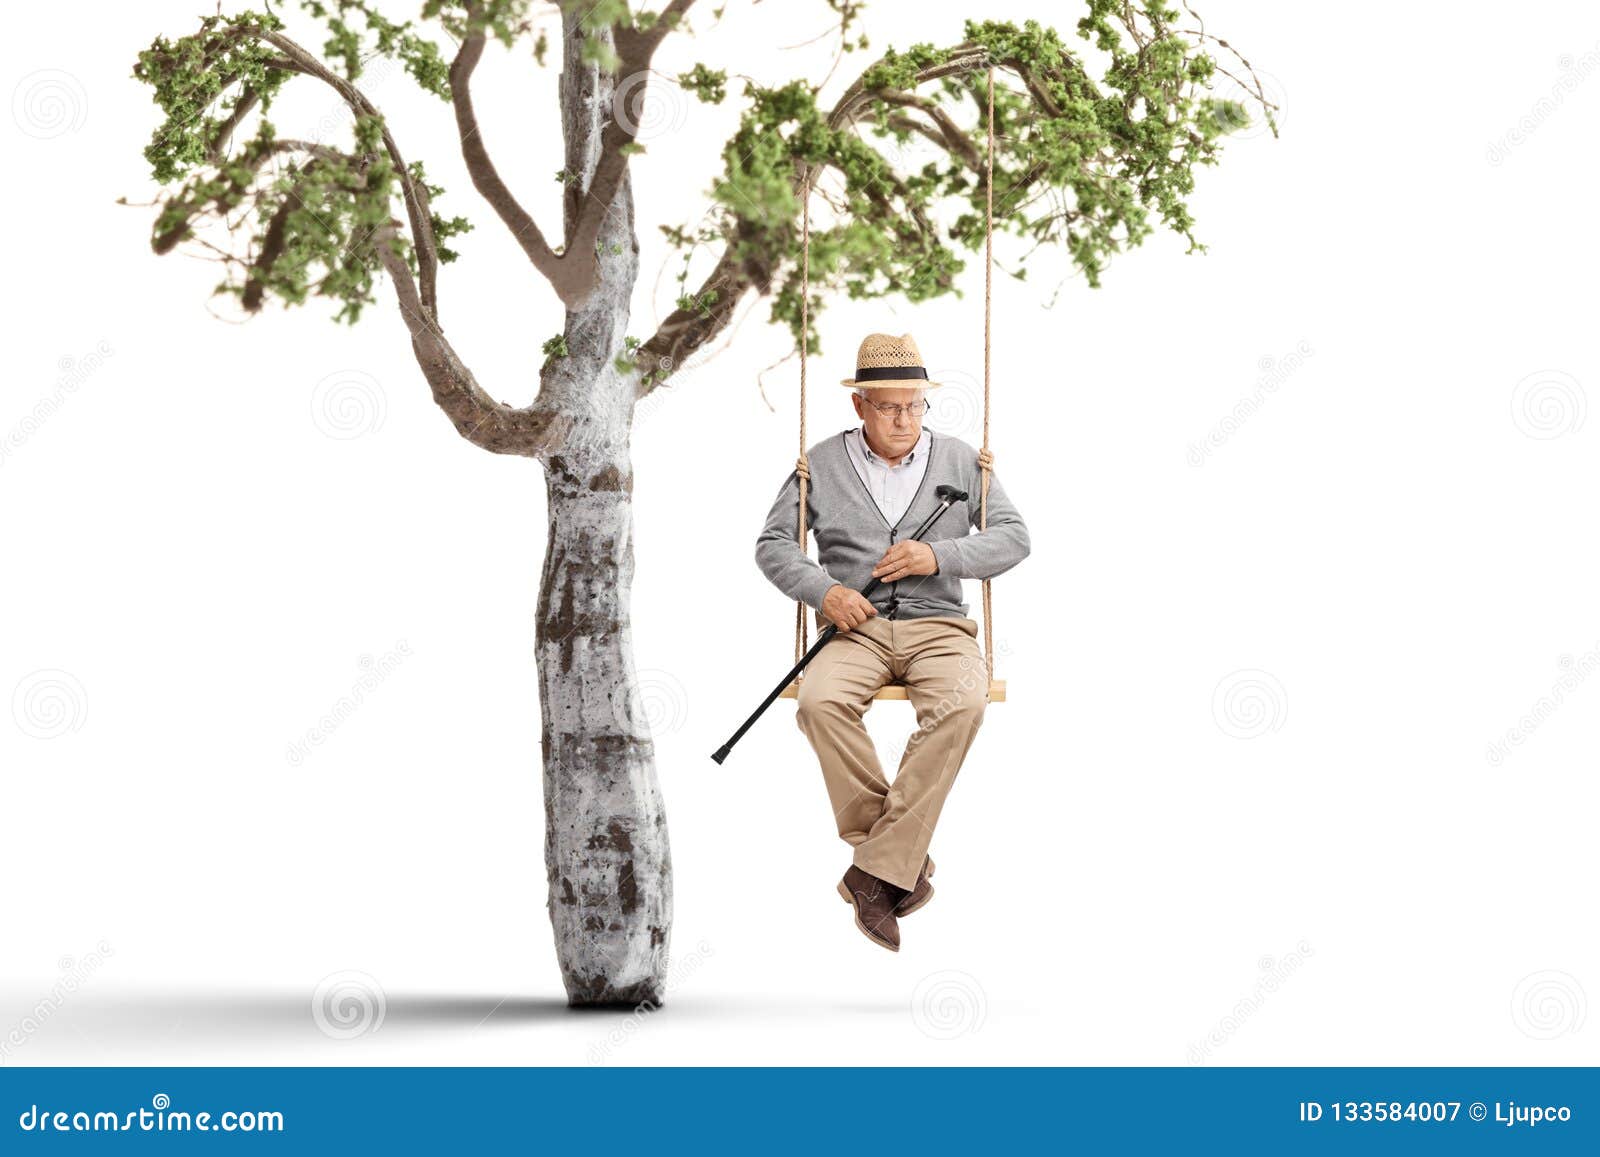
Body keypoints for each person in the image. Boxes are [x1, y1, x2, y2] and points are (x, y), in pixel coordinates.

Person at [754, 331, 1031, 951]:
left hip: (939, 628)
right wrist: (823, 592)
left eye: (914, 405)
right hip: (856, 628)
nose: (904, 418)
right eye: (888, 406)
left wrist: (940, 554)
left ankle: (874, 869)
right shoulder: (820, 463)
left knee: (965, 703)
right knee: (818, 703)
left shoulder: (961, 459)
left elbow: (1014, 537)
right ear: (860, 406)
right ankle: (895, 859)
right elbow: (773, 544)